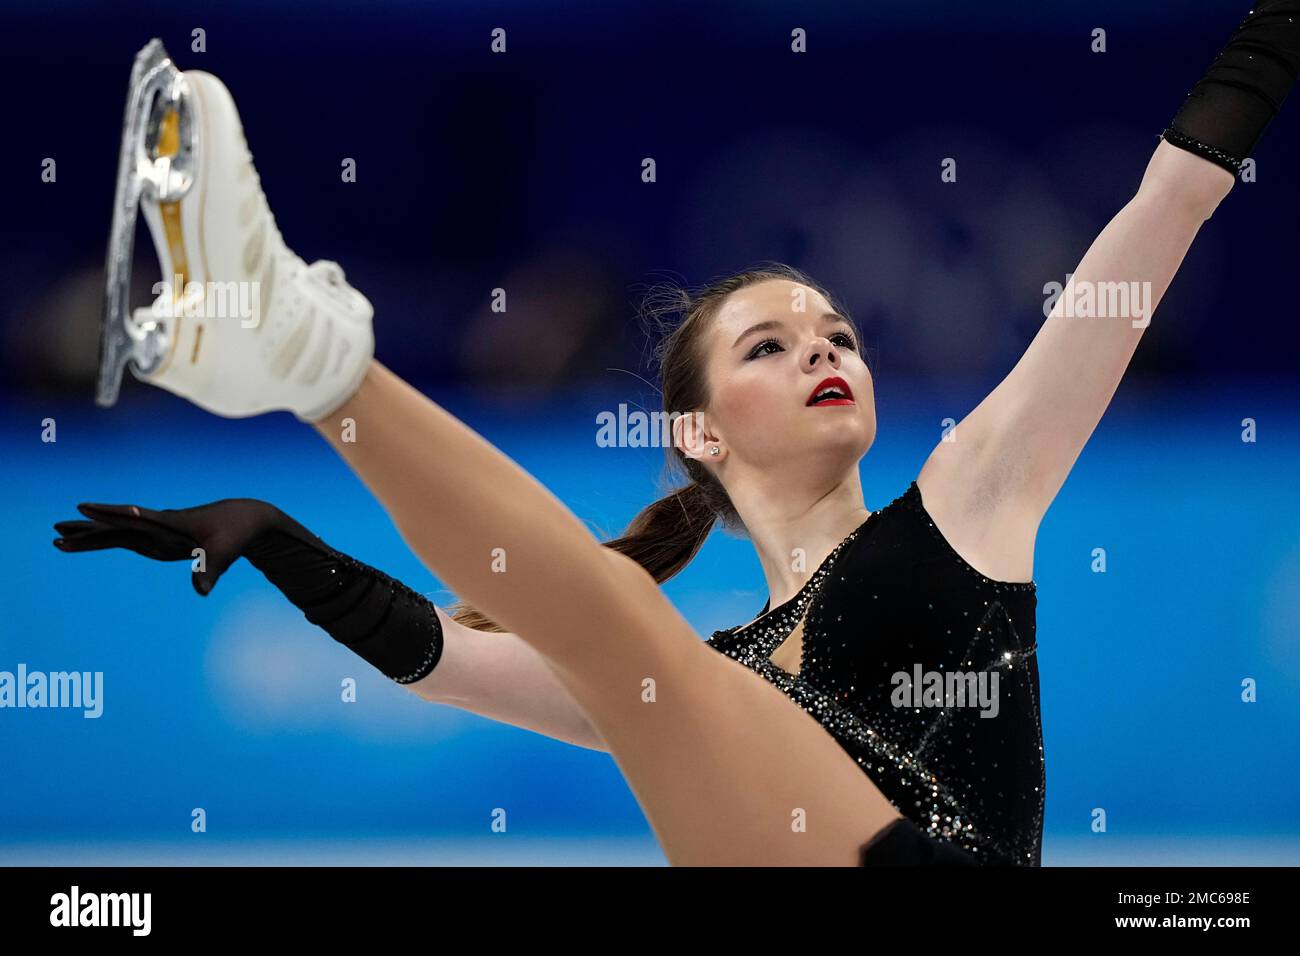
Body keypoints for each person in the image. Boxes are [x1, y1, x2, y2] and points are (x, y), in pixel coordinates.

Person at [58, 3, 1300, 865]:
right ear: (700, 433)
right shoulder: (689, 676)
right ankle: (290, 355)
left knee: (635, 644)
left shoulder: (972, 493)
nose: (824, 349)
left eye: (835, 334)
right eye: (771, 345)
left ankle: (299, 350)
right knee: (643, 656)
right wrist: (274, 536)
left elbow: (1169, 203)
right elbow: (435, 650)